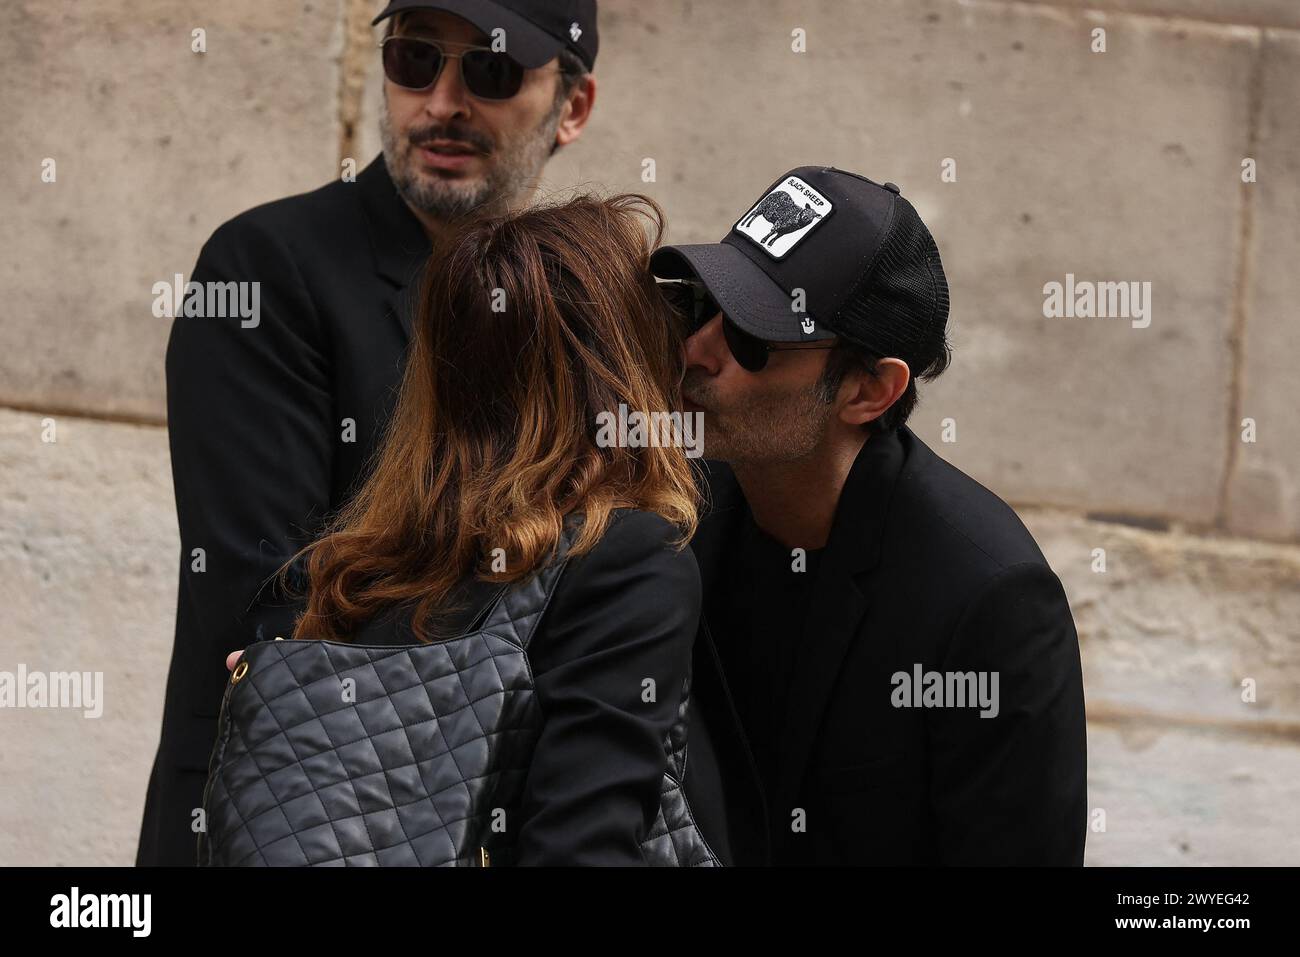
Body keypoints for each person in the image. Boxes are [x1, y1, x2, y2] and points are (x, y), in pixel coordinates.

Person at [138, 0, 600, 866]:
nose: (444, 102)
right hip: (286, 823)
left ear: (572, 107)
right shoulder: (262, 269)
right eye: (415, 60)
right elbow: (270, 596)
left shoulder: (581, 312)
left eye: (491, 71)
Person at [231, 193, 721, 865]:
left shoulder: (357, 585)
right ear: (621, 362)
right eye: (662, 314)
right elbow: (581, 848)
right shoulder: (625, 559)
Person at [652, 165, 1089, 865]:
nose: (696, 350)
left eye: (750, 338)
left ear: (871, 390)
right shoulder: (673, 509)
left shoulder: (989, 602)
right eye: (697, 304)